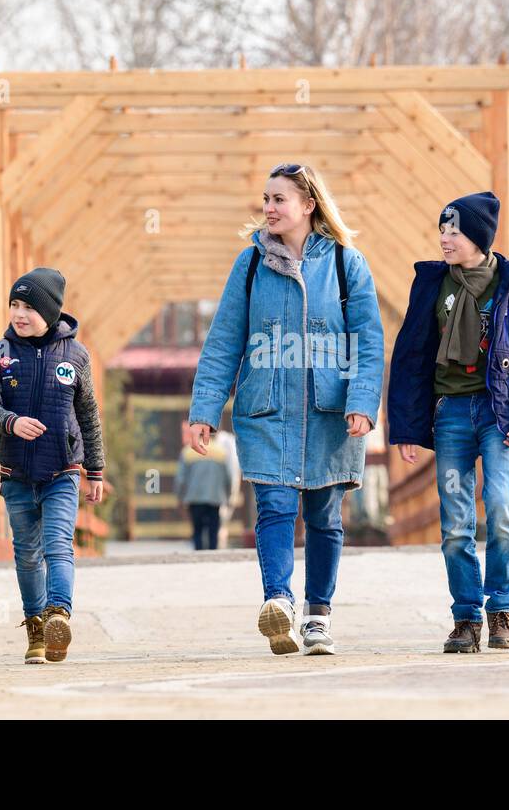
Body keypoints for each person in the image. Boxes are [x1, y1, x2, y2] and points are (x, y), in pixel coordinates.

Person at [187, 163, 385, 656]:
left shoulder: (346, 264)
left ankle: (318, 615)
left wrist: (362, 401)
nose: (269, 208)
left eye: (279, 199)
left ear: (308, 205)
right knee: (274, 506)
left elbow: (368, 341)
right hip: (267, 408)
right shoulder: (250, 264)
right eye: (266, 199)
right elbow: (223, 342)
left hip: (330, 412)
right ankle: (279, 602)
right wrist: (204, 410)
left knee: (324, 515)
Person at [387, 192, 509, 653]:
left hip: (500, 414)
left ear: (479, 236)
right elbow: (410, 357)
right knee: (457, 522)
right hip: (450, 415)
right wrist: (406, 428)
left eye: (453, 230)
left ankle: (502, 608)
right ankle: (466, 619)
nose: (444, 238)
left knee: (500, 507)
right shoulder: (432, 285)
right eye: (441, 229)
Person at [0, 267, 105, 664]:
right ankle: (35, 627)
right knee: (27, 553)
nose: (19, 313)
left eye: (29, 306)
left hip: (61, 471)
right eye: (14, 304)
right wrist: (11, 423)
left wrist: (95, 471)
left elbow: (89, 416)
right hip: (15, 473)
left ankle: (57, 614)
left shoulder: (76, 356)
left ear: (49, 312)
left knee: (58, 546)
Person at [176, 424, 236, 550]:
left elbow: (180, 479)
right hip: (215, 499)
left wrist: (180, 497)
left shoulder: (188, 451)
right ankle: (213, 558)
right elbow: (229, 478)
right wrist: (229, 496)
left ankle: (198, 557)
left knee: (197, 530)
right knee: (213, 531)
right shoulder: (222, 453)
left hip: (194, 498)